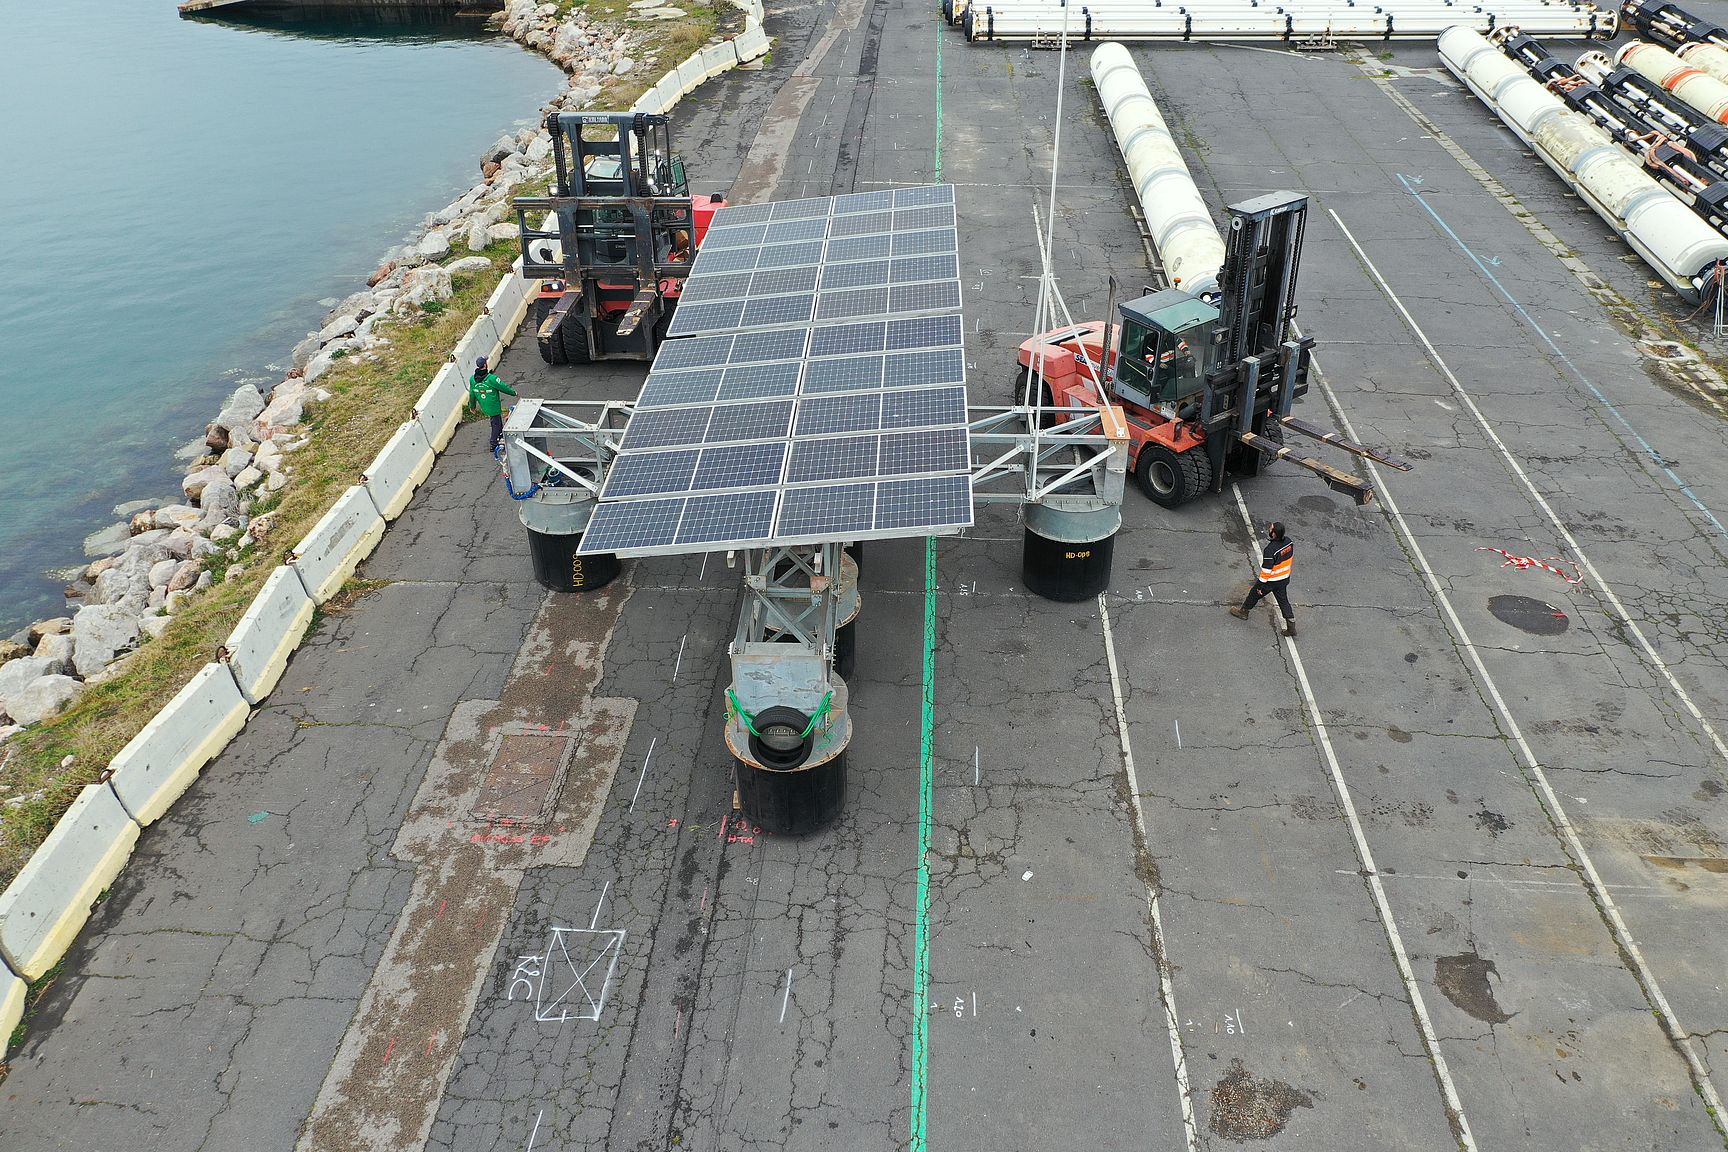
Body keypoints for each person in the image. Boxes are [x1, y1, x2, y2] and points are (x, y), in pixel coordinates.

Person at [1230, 521, 1296, 637]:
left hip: (1271, 581)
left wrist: (1260, 587)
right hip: (1284, 579)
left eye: (1270, 529)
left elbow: (1266, 572)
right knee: (1283, 601)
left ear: (1274, 533)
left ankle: (1243, 612)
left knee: (1254, 594)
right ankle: (1291, 626)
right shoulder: (1289, 542)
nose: (1269, 530)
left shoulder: (1270, 550)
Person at [468, 356, 517, 456]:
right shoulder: (491, 379)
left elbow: (472, 395)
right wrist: (514, 393)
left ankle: (500, 436)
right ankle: (493, 443)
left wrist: (472, 406)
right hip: (493, 406)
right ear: (485, 365)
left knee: (497, 421)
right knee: (496, 424)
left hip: (484, 405)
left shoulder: (472, 379)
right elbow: (503, 387)